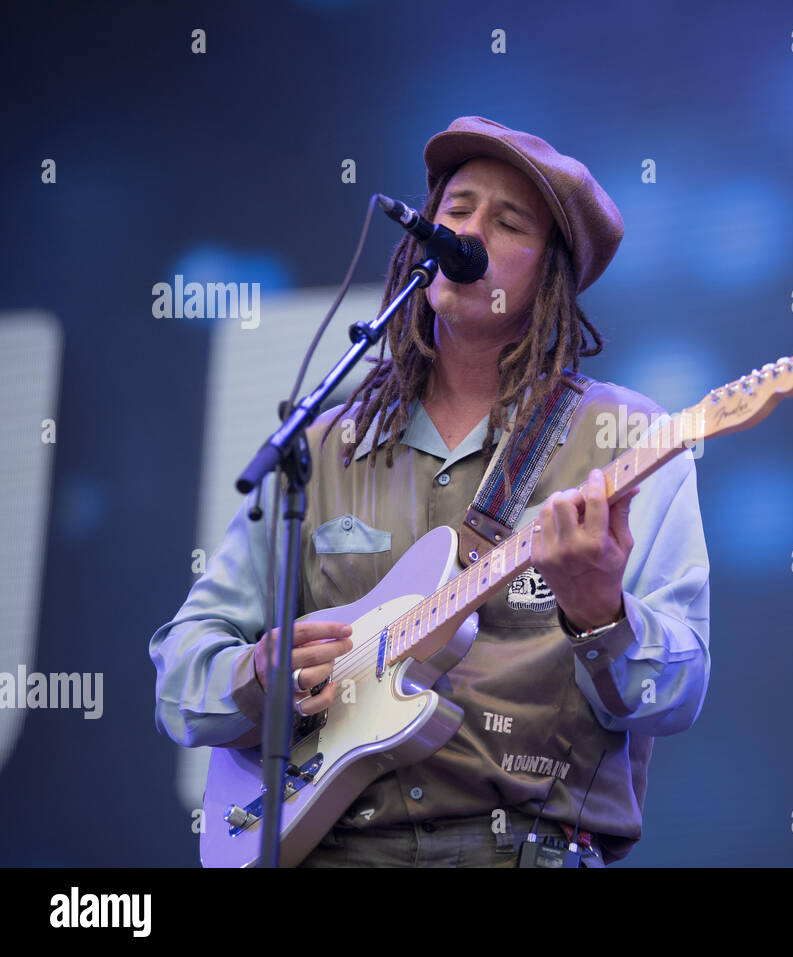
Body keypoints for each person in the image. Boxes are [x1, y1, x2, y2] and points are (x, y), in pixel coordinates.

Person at [149, 116, 711, 867]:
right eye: (456, 210)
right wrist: (256, 675)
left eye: (507, 222)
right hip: (330, 846)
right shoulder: (323, 444)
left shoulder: (627, 438)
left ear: (549, 276)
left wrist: (601, 613)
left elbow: (677, 694)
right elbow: (180, 674)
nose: (469, 231)